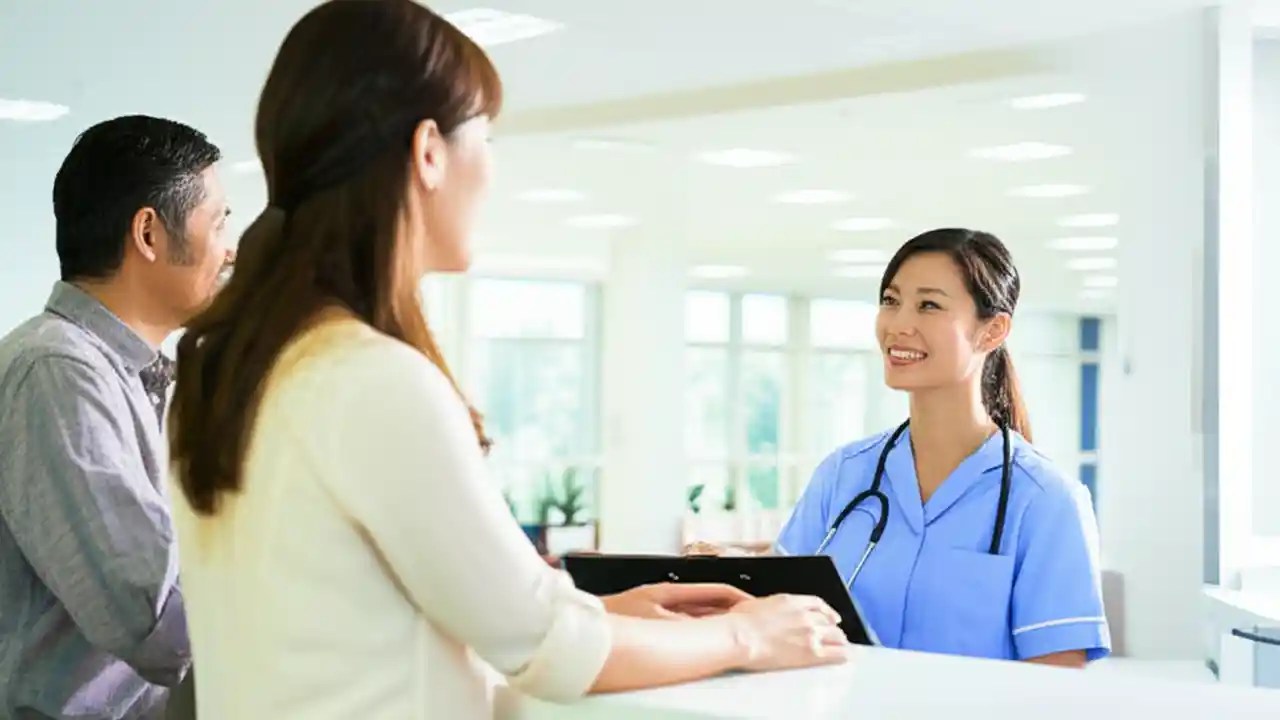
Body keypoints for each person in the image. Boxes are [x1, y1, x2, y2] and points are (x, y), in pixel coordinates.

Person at [165, 2, 846, 718]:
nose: (491, 169)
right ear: (429, 150)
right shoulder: (369, 379)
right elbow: (547, 650)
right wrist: (745, 633)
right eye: (484, 136)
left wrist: (599, 614)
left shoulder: (232, 369)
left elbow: (362, 621)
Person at [688, 229, 1110, 667]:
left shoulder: (1045, 500)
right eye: (891, 300)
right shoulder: (843, 474)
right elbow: (783, 610)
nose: (899, 324)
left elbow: (1057, 679)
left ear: (993, 330)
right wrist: (731, 572)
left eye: (929, 305)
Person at [0, 115, 233, 719]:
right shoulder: (57, 371)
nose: (229, 249)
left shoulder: (139, 378)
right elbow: (151, 618)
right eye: (219, 222)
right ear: (149, 233)